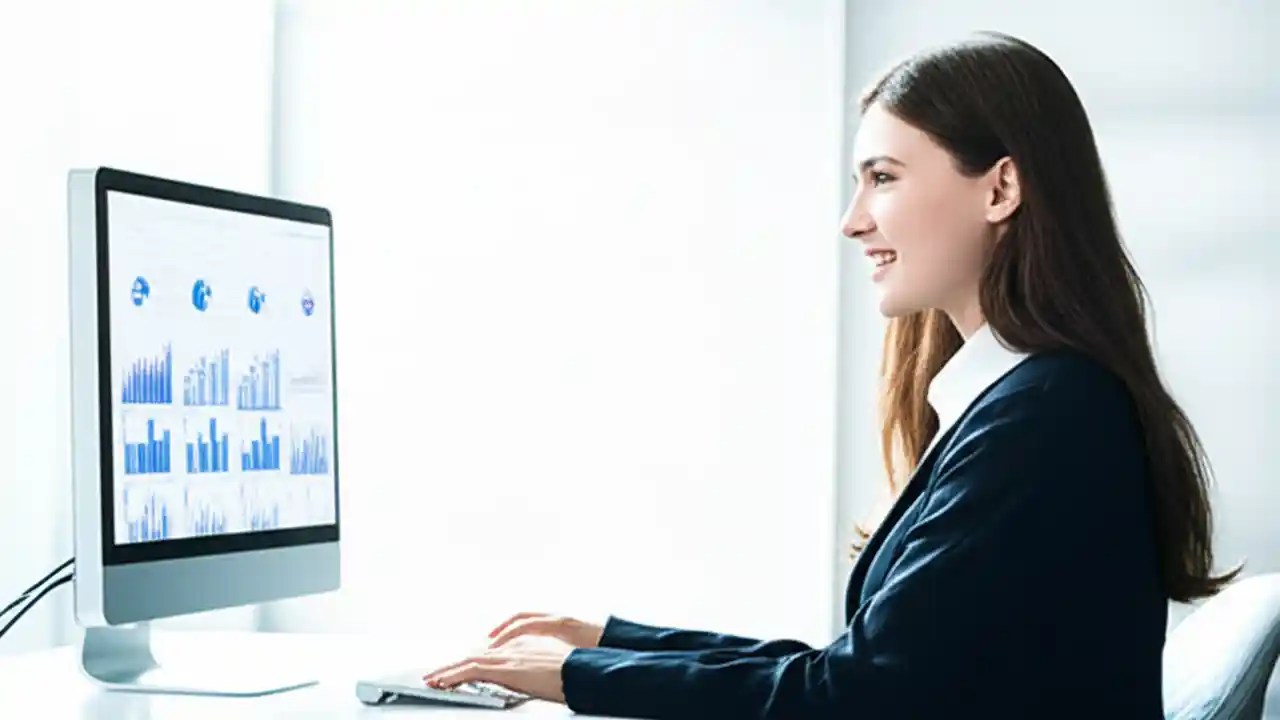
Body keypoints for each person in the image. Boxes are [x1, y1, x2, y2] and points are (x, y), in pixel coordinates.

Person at [423, 30, 1242, 718]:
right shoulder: (1030, 402)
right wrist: (610, 639)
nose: (853, 221)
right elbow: (865, 666)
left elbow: (850, 694)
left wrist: (577, 680)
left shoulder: (1048, 418)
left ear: (1000, 187)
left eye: (883, 177)